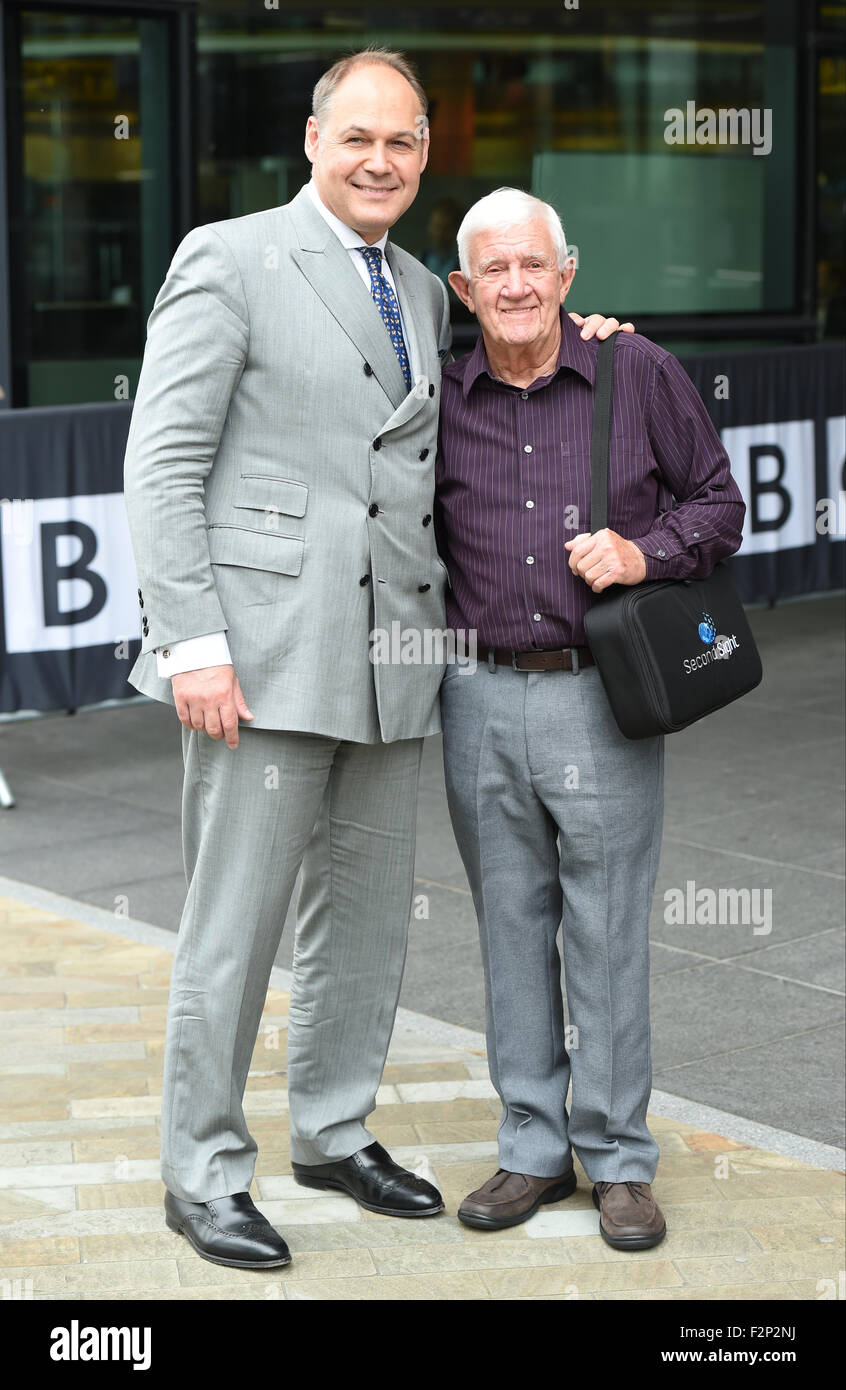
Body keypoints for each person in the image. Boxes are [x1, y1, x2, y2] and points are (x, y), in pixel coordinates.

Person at [123, 49, 625, 1271]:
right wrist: (192, 639)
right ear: (312, 141)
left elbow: (488, 387)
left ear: (424, 155)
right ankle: (201, 1172)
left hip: (397, 655)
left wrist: (588, 333)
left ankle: (332, 1128)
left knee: (361, 924)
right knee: (232, 930)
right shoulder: (228, 256)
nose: (379, 160)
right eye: (358, 137)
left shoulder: (425, 285)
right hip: (262, 655)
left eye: (402, 142)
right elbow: (163, 461)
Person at [435, 187, 745, 1249]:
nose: (516, 287)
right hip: (474, 693)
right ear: (463, 290)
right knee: (509, 927)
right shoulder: (437, 391)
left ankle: (617, 1156)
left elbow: (718, 500)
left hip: (597, 697)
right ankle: (531, 1146)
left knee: (606, 931)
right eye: (494, 272)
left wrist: (643, 552)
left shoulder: (635, 367)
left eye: (536, 265)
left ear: (569, 275)